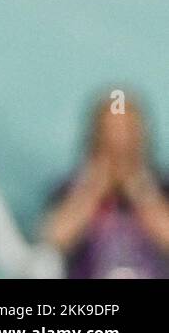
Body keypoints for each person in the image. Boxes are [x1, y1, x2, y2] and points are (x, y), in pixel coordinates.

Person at [42, 94, 169, 278]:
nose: (119, 141)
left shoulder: (162, 188)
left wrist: (141, 192)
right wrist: (93, 190)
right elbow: (51, 241)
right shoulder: (70, 190)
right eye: (110, 131)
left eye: (127, 131)